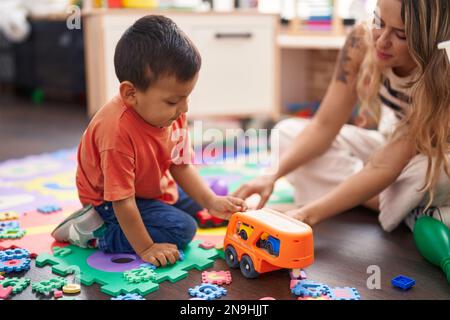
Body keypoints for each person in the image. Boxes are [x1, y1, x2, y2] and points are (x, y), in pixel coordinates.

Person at [233, 0, 450, 232]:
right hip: (391, 144)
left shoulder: (442, 70)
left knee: (428, 174)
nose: (382, 40)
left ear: (428, 39)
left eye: (401, 35)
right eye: (379, 22)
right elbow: (324, 125)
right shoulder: (361, 39)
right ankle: (398, 205)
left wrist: (307, 214)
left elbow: (385, 165)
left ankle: (383, 199)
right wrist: (271, 176)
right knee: (286, 133)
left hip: (433, 155)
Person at [52, 15, 247, 267]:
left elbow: (180, 165)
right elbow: (122, 200)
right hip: (109, 204)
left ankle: (195, 205)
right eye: (173, 101)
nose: (183, 108)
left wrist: (211, 202)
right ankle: (94, 232)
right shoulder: (116, 132)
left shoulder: (172, 112)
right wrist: (146, 247)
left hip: (151, 187)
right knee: (183, 229)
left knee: (200, 199)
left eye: (186, 97)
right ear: (131, 93)